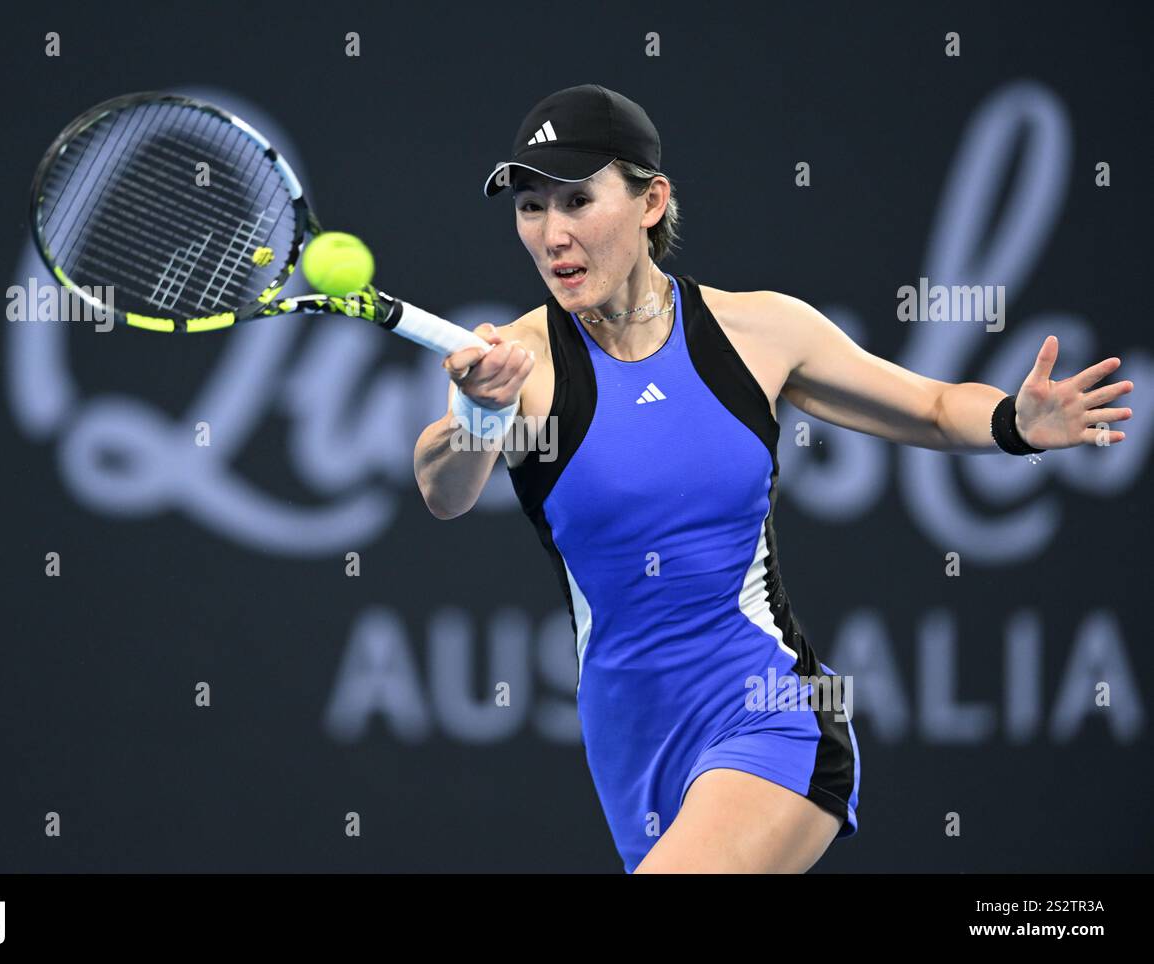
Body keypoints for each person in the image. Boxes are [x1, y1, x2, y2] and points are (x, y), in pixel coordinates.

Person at [412, 84, 1134, 873]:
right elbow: (443, 491)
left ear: (651, 201)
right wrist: (478, 415)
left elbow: (928, 406)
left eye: (579, 200)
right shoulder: (518, 366)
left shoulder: (760, 332)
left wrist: (1015, 424)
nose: (552, 234)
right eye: (530, 206)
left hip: (775, 711)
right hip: (632, 748)